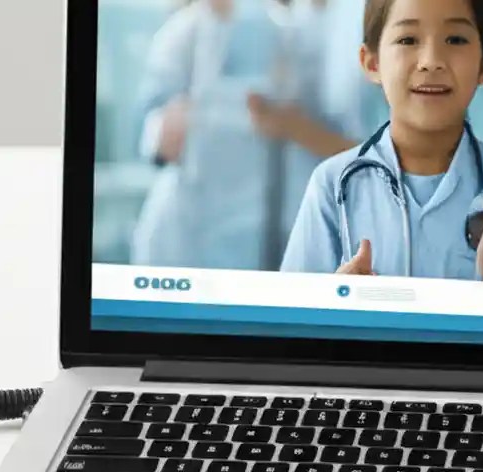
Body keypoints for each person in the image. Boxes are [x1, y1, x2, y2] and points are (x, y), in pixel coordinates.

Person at [279, 0, 483, 283]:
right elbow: (288, 322)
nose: (431, 62)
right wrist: (334, 301)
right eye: (407, 39)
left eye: (455, 39)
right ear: (371, 63)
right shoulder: (331, 186)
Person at [130, 0, 366, 271]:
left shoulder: (291, 36)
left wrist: (287, 123)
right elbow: (148, 125)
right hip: (186, 234)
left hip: (266, 229)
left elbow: (335, 135)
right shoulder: (186, 33)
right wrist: (164, 128)